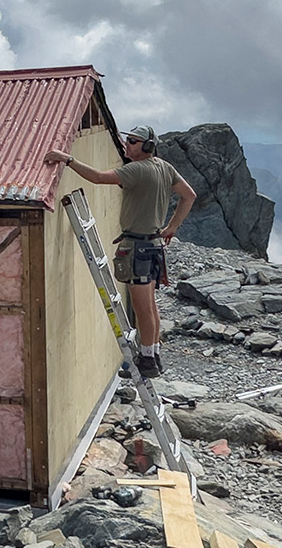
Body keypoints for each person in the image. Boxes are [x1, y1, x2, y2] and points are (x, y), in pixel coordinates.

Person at [45, 125, 196, 378]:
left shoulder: (136, 170)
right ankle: (153, 356)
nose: (128, 145)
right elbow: (189, 195)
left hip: (137, 246)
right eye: (127, 140)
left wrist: (66, 159)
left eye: (133, 142)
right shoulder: (164, 167)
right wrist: (171, 227)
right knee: (150, 306)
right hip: (154, 244)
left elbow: (97, 177)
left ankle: (147, 362)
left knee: (142, 308)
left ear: (147, 146)